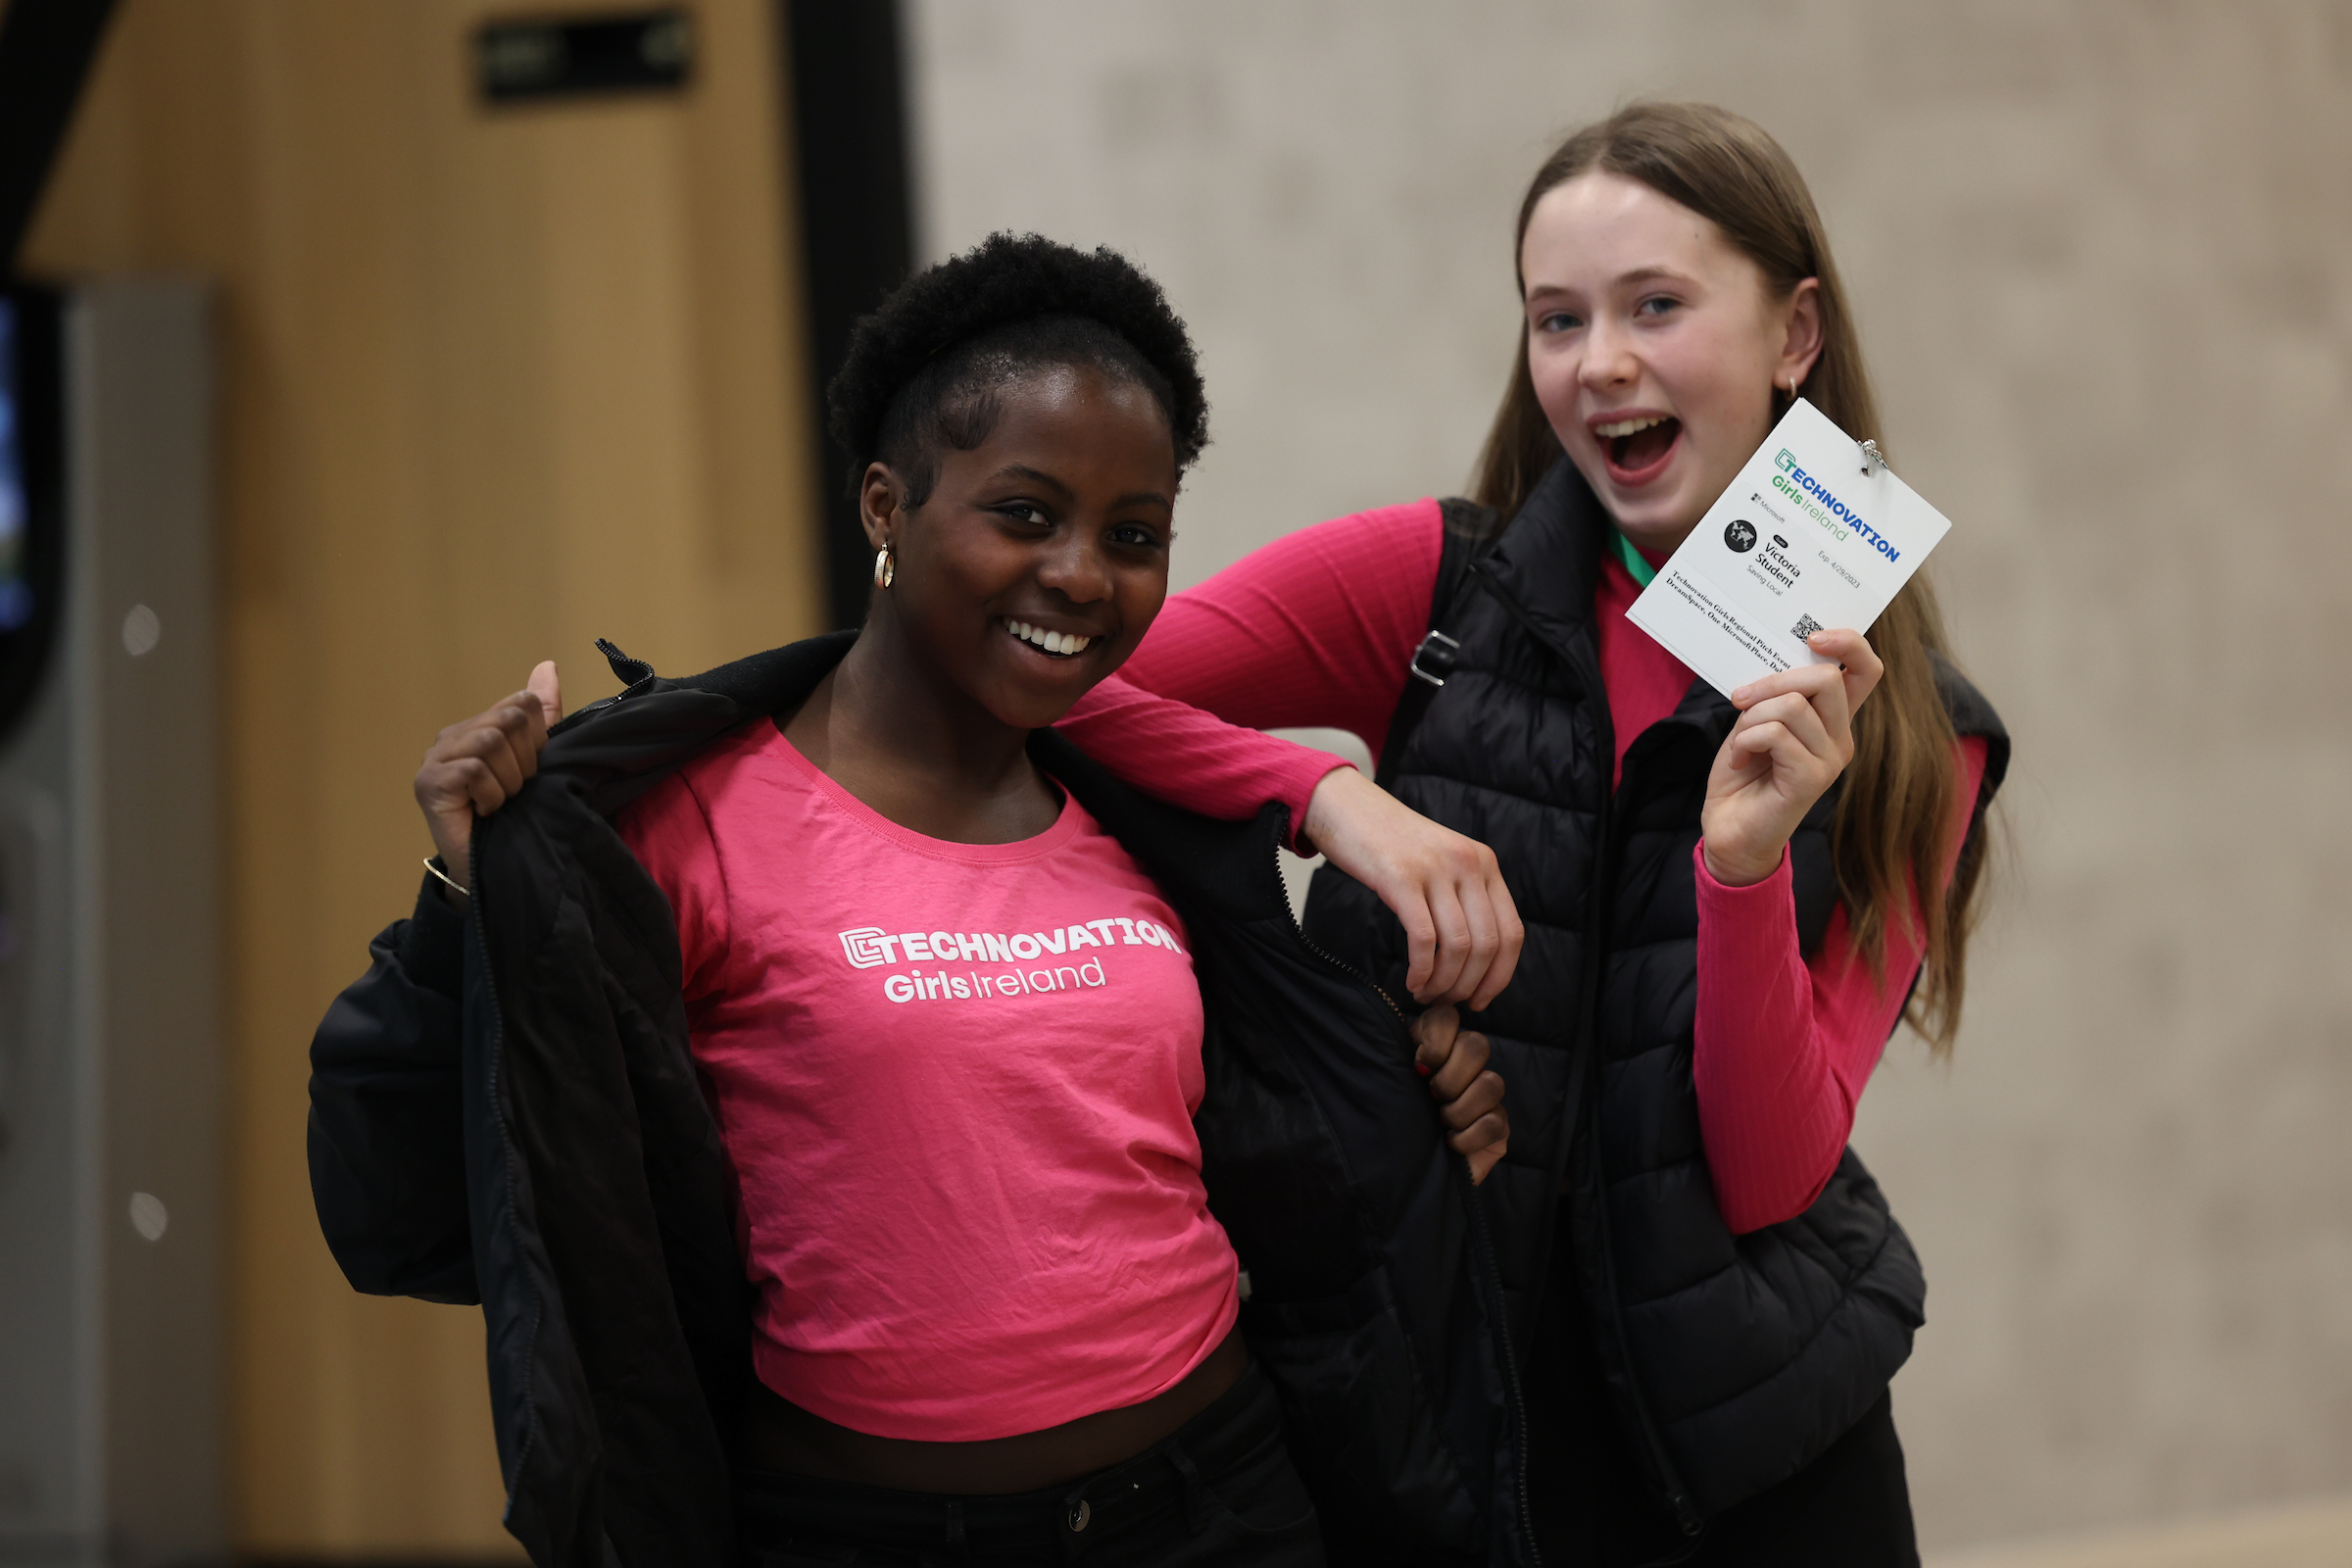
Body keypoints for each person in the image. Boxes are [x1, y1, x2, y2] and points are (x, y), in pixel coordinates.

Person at [306, 235, 1540, 1568]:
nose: (1082, 573)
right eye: (1025, 512)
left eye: (1134, 536)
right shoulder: (685, 824)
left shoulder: (1149, 820)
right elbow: (407, 1208)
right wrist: (456, 895)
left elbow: (1245, 1134)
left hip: (1218, 1502)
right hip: (865, 1529)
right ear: (885, 506)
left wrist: (1395, 1110)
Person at [1052, 104, 2010, 1566]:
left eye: (1656, 306)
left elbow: (1765, 1183)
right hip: (1438, 1423)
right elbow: (1050, 693)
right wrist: (1326, 799)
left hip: (1760, 1463)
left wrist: (1742, 868)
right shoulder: (1434, 589)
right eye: (1556, 319)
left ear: (1794, 332)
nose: (1599, 363)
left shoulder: (1911, 736)